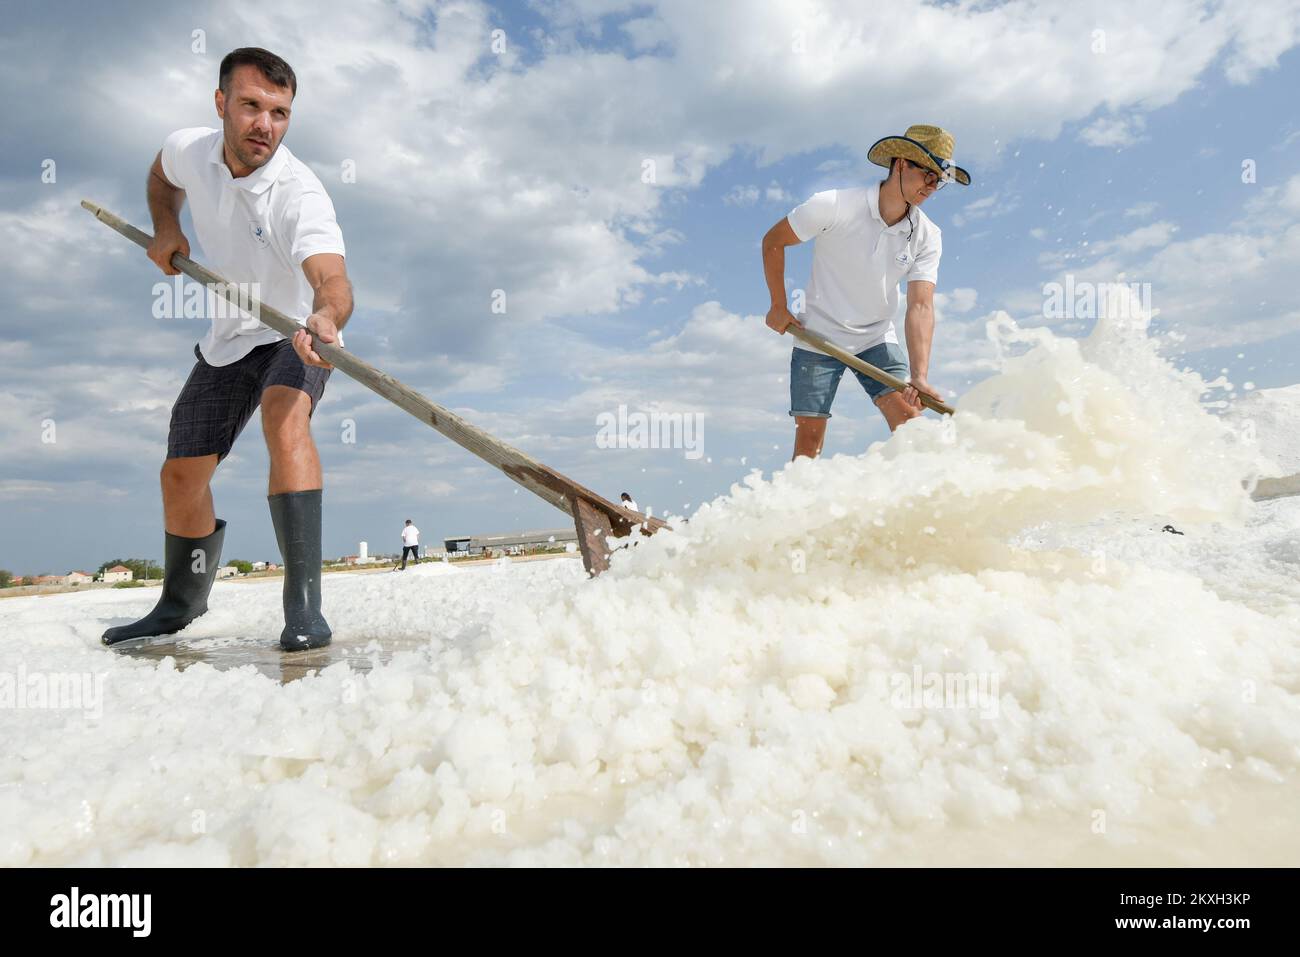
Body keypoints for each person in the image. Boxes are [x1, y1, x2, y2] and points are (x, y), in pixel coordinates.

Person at [102, 48, 353, 652]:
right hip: (229, 339)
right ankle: (179, 604)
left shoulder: (299, 194)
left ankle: (304, 612)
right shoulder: (190, 149)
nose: (265, 124)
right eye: (251, 106)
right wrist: (167, 227)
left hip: (297, 331)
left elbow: (334, 282)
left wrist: (325, 317)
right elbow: (162, 176)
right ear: (222, 105)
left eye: (280, 112)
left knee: (282, 419)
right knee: (181, 473)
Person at [761, 124, 970, 459]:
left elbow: (920, 305)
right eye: (927, 175)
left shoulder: (928, 235)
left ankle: (921, 509)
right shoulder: (832, 205)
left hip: (876, 337)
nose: (932, 187)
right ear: (901, 164)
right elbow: (774, 241)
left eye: (939, 180)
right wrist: (778, 305)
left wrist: (919, 375)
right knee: (809, 444)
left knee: (910, 424)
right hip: (817, 334)